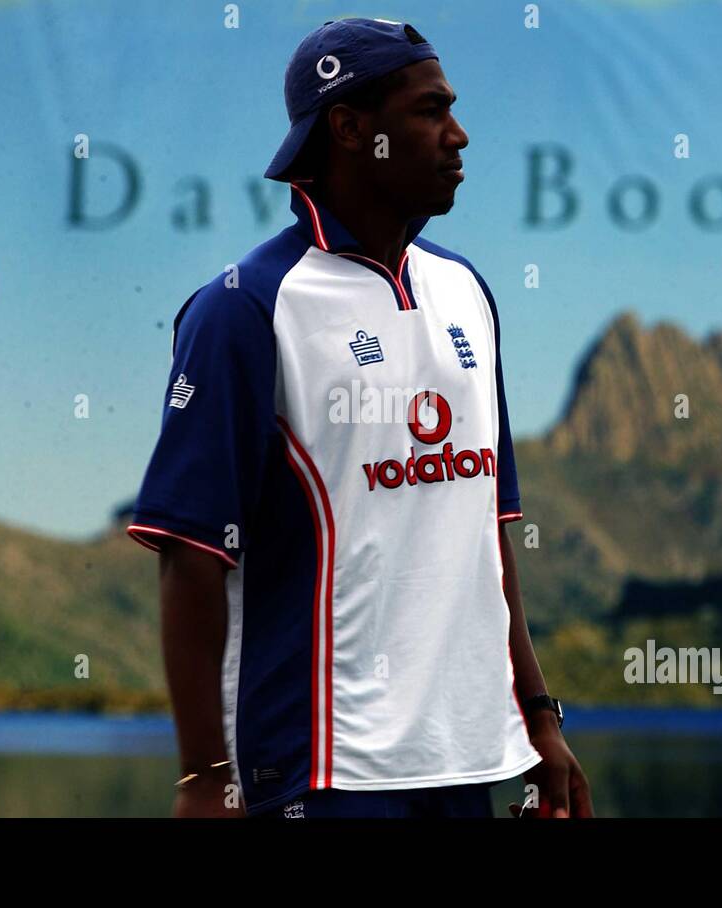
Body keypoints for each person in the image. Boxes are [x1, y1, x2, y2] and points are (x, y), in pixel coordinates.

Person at [127, 16, 592, 819]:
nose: (460, 136)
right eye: (430, 111)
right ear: (349, 129)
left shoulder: (467, 294)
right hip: (314, 773)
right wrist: (206, 778)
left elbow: (488, 538)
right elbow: (191, 556)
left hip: (462, 766)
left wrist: (539, 723)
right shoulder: (244, 309)